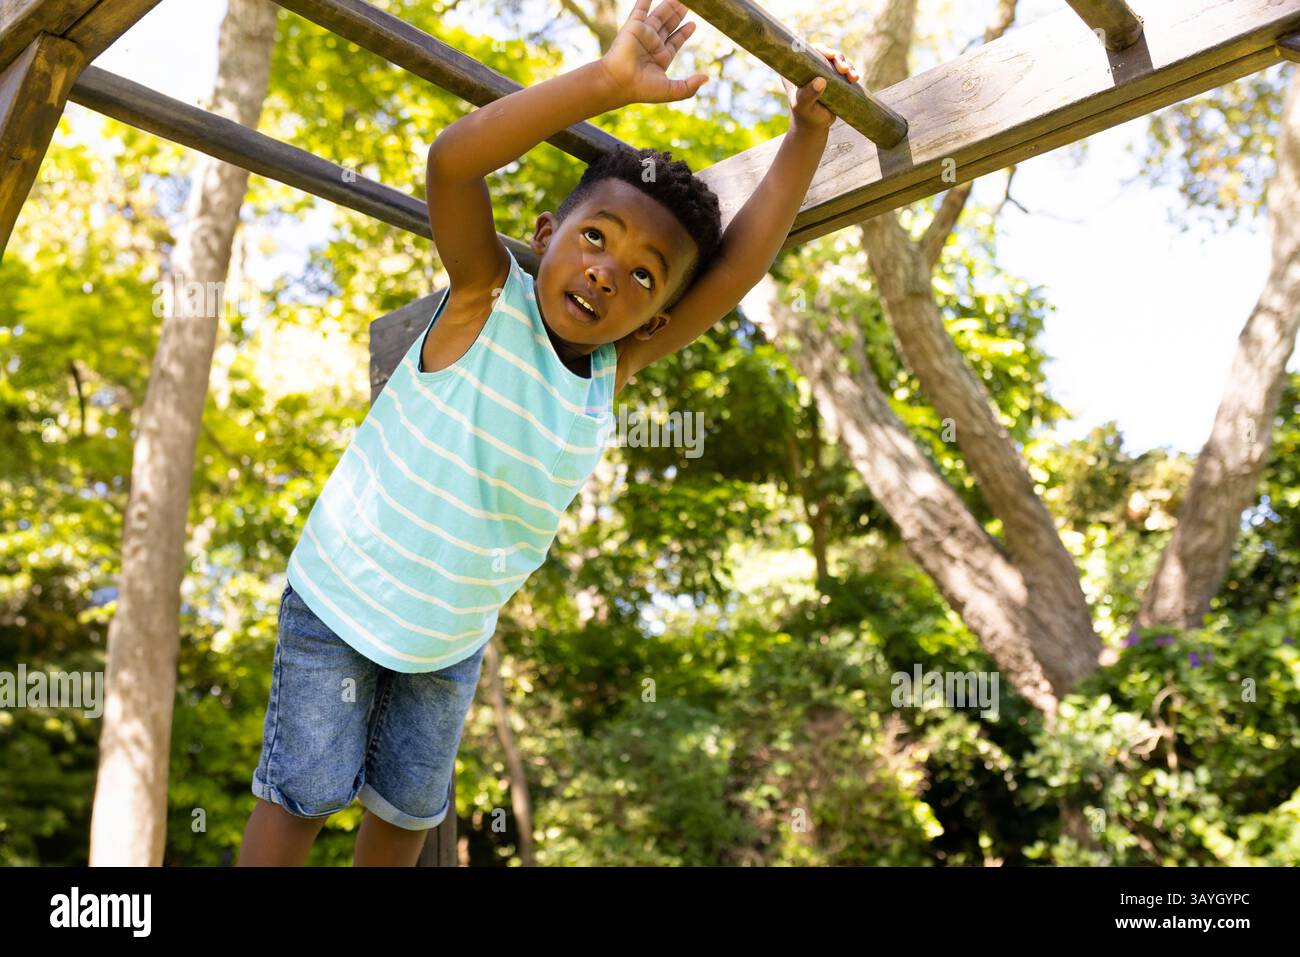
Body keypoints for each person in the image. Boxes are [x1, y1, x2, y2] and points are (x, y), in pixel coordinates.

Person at [238, 0, 861, 866]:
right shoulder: (482, 298)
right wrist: (606, 83)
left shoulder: (615, 367)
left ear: (657, 313)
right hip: (343, 601)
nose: (609, 272)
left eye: (644, 275)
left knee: (407, 817)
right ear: (545, 235)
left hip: (448, 640)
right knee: (302, 797)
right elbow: (453, 163)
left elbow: (736, 268)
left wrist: (806, 135)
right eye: (595, 238)